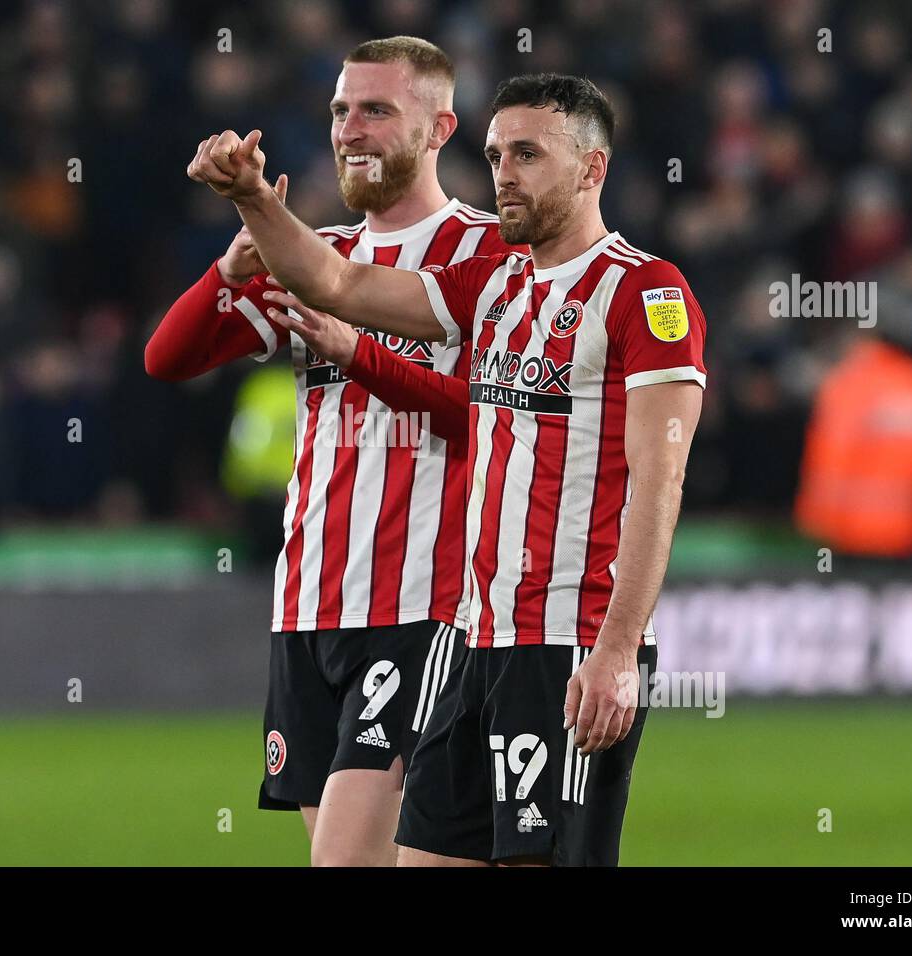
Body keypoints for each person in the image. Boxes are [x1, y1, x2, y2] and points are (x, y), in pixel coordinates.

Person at [187, 73, 707, 866]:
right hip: (468, 641)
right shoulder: (495, 282)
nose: (504, 172)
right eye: (497, 153)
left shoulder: (644, 293)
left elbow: (658, 481)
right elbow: (337, 283)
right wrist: (254, 198)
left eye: (528, 155)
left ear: (593, 170)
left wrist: (616, 649)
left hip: (563, 640)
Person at [146, 37, 518, 865]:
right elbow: (167, 359)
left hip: (422, 605)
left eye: (377, 110)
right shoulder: (316, 252)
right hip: (309, 602)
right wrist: (229, 264)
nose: (351, 128)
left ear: (438, 128)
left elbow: (490, 421)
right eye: (341, 110)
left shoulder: (488, 255)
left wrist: (361, 353)